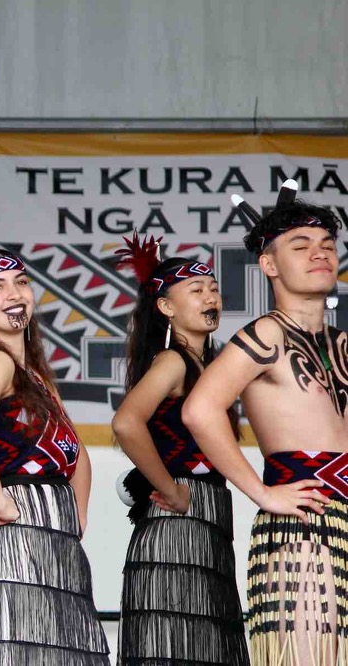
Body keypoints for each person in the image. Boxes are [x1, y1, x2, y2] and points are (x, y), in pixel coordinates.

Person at [183, 180, 347, 665]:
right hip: (300, 525)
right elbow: (199, 409)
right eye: (301, 245)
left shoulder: (341, 343)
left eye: (327, 245)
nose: (319, 254)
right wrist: (262, 492)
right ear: (269, 264)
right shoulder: (266, 333)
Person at [0, 228, 109, 665]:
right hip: (16, 542)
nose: (15, 293)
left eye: (22, 282)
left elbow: (76, 453)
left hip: (52, 537)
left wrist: (76, 515)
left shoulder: (36, 376)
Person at [112, 233, 248, 665]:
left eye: (213, 289)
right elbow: (126, 422)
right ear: (166, 307)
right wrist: (169, 489)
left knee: (204, 648)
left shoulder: (214, 365)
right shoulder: (173, 361)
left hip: (208, 518)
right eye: (196, 290)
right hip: (177, 527)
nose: (210, 297)